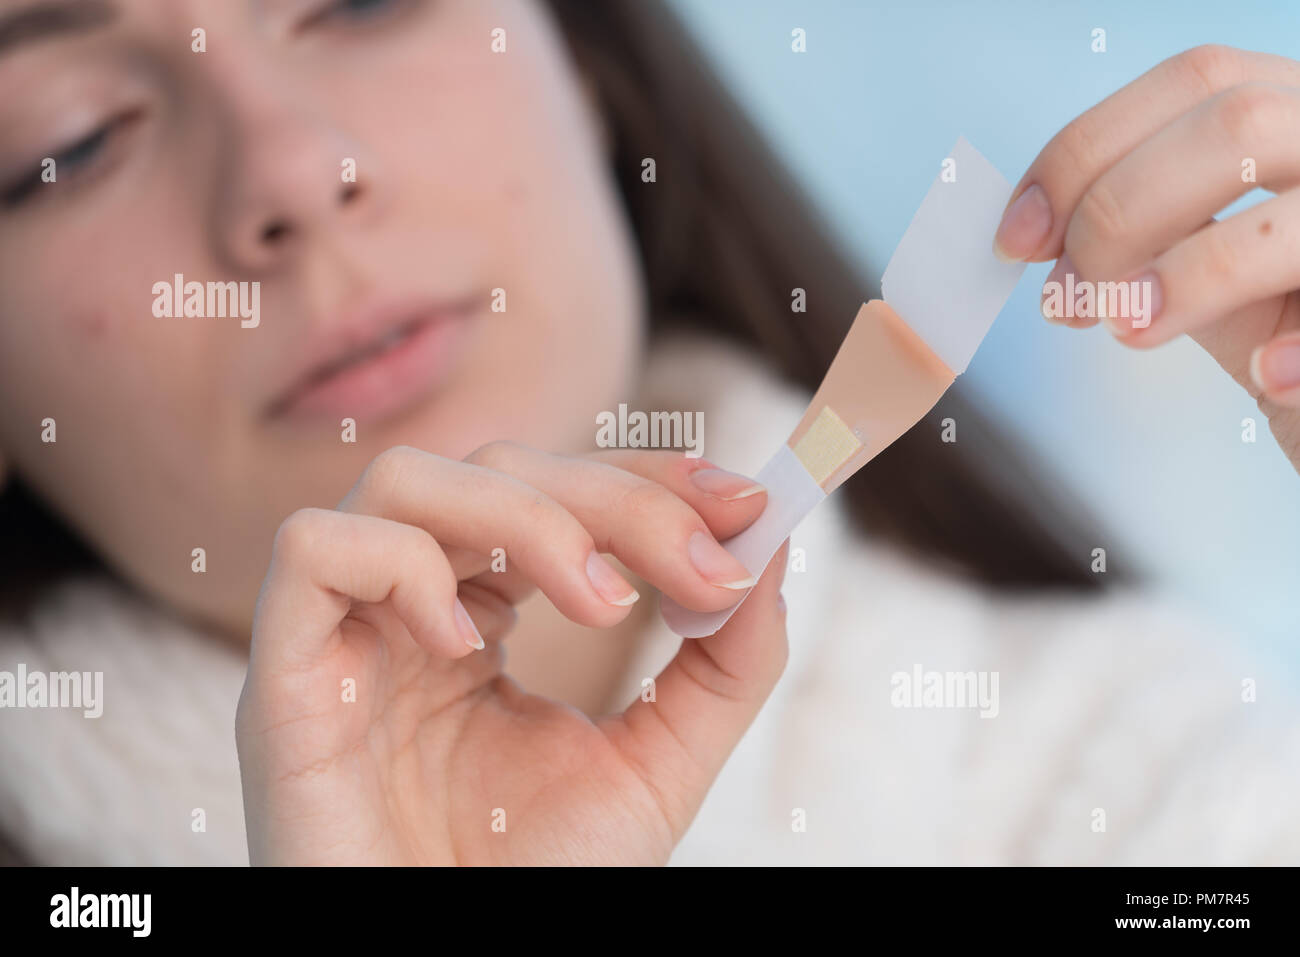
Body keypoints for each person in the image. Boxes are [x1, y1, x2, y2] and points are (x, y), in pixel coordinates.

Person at [0, 0, 1296, 865]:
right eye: (68, 146)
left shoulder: (1159, 793)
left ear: (585, 66)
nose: (290, 166)